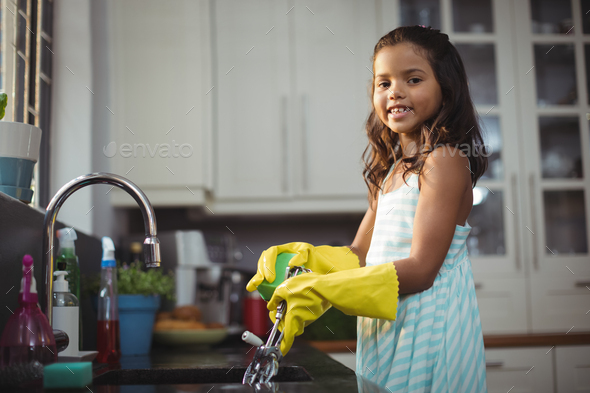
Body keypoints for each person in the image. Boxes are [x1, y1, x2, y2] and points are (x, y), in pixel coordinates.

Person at [246, 25, 488, 392]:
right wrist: (309, 262)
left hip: (429, 335)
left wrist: (325, 288)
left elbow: (422, 270)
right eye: (384, 83)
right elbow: (359, 254)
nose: (396, 92)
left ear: (446, 89)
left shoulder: (445, 161)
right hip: (386, 332)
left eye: (414, 79)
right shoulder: (391, 171)